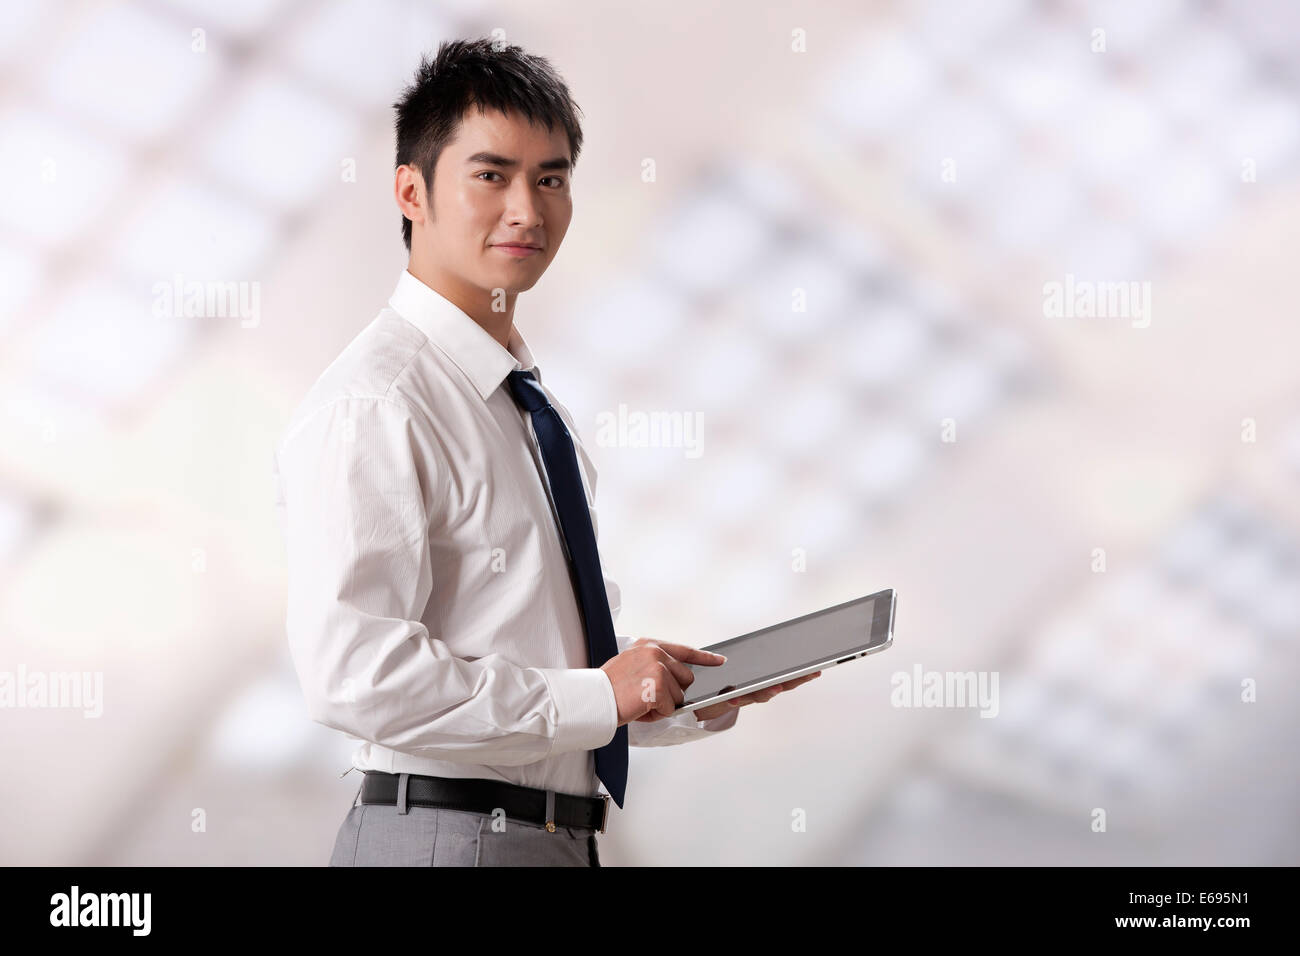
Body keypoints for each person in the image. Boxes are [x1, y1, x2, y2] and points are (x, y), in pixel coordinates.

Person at [272, 37, 820, 868]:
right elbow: (356, 674)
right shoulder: (379, 402)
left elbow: (536, 666)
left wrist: (672, 696)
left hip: (548, 837)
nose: (528, 209)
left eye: (552, 178)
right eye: (491, 175)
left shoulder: (522, 402)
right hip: (450, 840)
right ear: (410, 191)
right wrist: (599, 693)